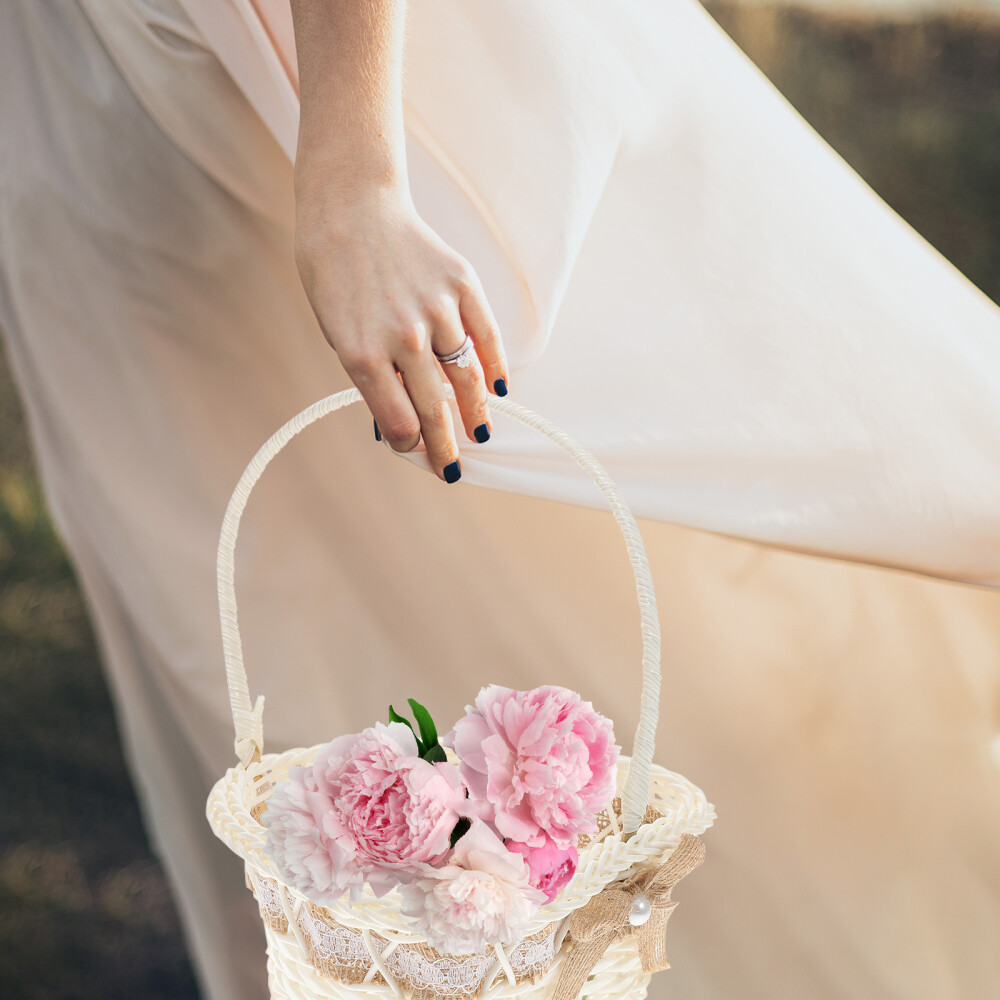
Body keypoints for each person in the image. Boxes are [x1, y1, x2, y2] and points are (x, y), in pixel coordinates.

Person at [2, 1, 999, 999]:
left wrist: (357, 179)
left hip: (342, 70)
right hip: (85, 101)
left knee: (697, 469)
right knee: (276, 615)